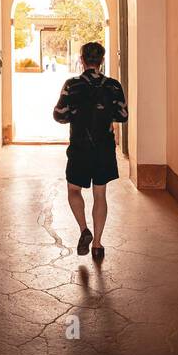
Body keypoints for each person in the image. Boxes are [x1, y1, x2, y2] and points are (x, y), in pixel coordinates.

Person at [52, 41, 128, 260]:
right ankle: (97, 244)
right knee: (100, 194)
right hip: (104, 147)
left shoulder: (72, 85)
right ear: (101, 61)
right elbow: (122, 116)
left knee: (74, 190)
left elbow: (59, 115)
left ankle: (84, 230)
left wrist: (77, 114)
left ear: (82, 59)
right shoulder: (113, 86)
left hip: (80, 147)